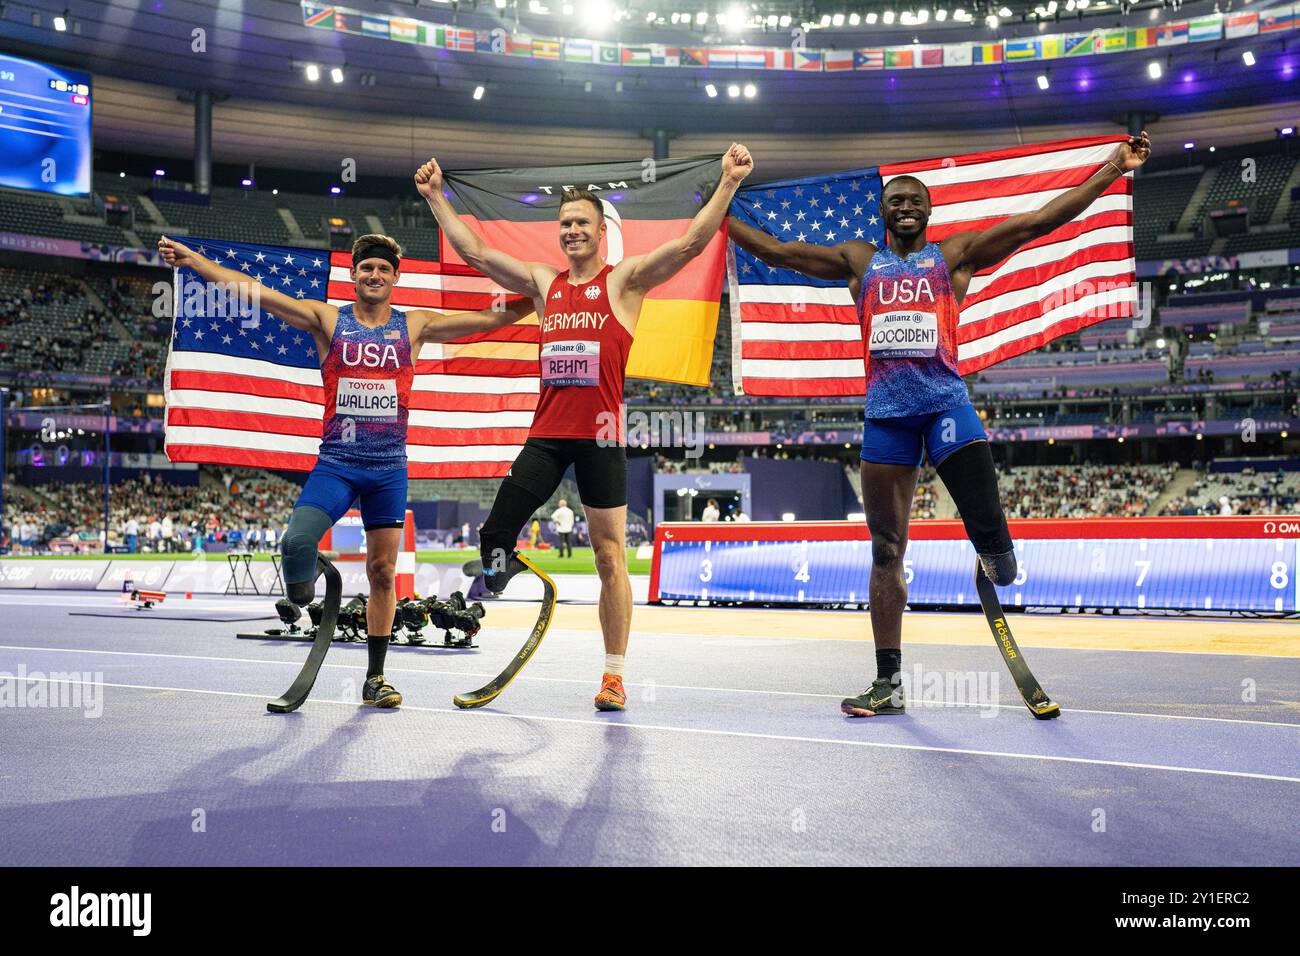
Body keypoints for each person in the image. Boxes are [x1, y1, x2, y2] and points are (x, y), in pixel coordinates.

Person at [728, 131, 1151, 717]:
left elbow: (1041, 220)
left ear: (929, 211)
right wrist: (717, 205)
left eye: (914, 201)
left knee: (985, 517)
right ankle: (888, 683)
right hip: (886, 418)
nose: (904, 207)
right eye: (895, 201)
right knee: (885, 549)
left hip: (945, 404)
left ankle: (997, 551)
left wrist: (1112, 169)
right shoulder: (859, 259)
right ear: (883, 211)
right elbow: (776, 252)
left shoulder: (954, 255)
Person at [416, 142, 753, 711]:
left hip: (601, 436)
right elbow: (474, 253)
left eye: (582, 223)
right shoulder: (546, 284)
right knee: (494, 537)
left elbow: (693, 242)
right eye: (566, 223)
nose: (572, 230)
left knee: (608, 555)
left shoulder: (625, 283)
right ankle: (497, 577)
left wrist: (727, 183)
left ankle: (614, 675)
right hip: (547, 434)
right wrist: (435, 198)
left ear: (602, 232)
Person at [159, 233, 533, 709]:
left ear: (396, 278)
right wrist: (194, 261)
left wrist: (539, 296)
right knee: (296, 543)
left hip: (388, 470)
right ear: (353, 275)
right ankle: (299, 595)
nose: (374, 275)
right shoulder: (326, 319)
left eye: (383, 269)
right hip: (337, 463)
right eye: (366, 268)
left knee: (382, 573)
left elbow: (485, 320)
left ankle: (375, 679)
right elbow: (252, 291)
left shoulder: (413, 325)